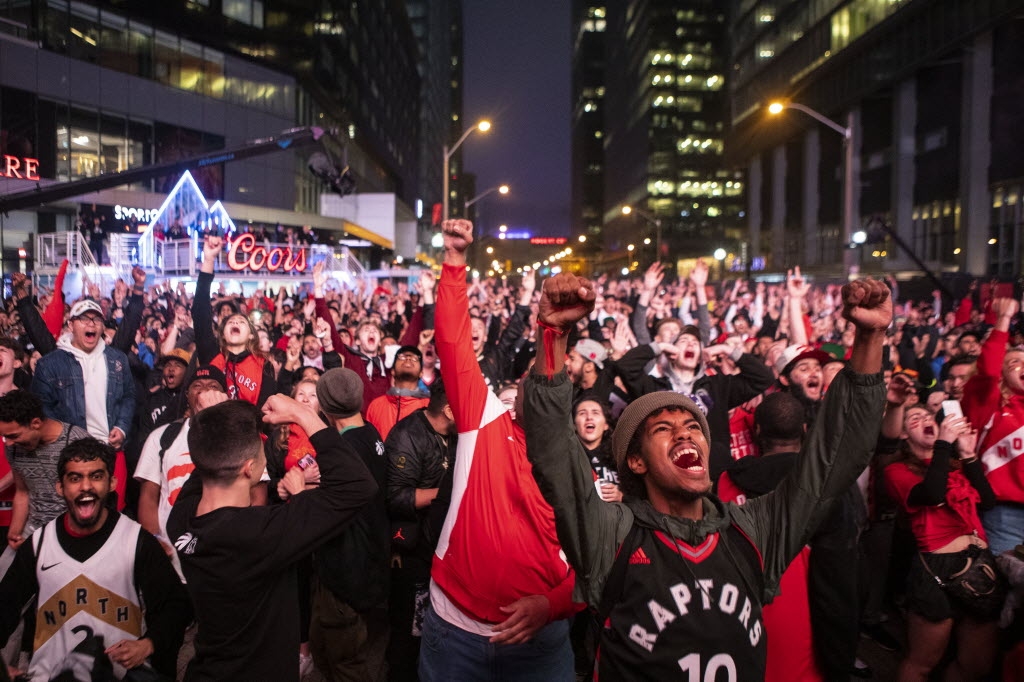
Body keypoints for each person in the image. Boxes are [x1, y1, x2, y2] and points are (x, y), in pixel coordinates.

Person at [522, 264, 891, 679]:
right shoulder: (612, 535)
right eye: (664, 428)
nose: (686, 434)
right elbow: (554, 450)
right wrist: (552, 334)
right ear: (636, 461)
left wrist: (871, 337)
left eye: (694, 425)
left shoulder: (752, 532)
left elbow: (835, 457)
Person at [418, 220, 578, 681]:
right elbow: (451, 343)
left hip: (541, 644)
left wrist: (552, 605)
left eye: (555, 382)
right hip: (456, 634)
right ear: (517, 388)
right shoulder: (483, 420)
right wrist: (453, 262)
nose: (543, 384)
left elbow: (597, 563)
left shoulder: (574, 464)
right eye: (534, 378)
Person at [166, 395, 378, 681]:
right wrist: (303, 414)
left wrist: (216, 417)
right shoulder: (260, 534)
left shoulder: (180, 521)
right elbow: (358, 485)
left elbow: (205, 462)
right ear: (250, 468)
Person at [0, 437, 191, 680]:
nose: (86, 486)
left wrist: (148, 644)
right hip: (50, 675)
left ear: (112, 482)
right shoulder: (39, 545)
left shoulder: (136, 540)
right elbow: (4, 606)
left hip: (116, 675)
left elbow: (174, 605)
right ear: (60, 487)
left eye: (96, 476)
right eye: (75, 478)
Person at [884, 405, 1003, 681]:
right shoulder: (896, 471)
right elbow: (934, 494)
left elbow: (988, 501)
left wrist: (969, 454)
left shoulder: (954, 465)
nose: (925, 419)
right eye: (915, 419)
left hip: (979, 566)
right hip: (936, 570)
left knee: (977, 666)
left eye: (929, 417)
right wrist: (942, 445)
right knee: (922, 662)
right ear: (903, 434)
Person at [306, 368, 390, 682]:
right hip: (363, 561)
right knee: (329, 649)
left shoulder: (344, 449)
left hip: (347, 568)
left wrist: (301, 490)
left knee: (346, 663)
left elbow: (330, 509)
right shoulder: (369, 432)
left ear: (323, 407)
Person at [383, 379, 457, 681]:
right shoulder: (407, 436)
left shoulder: (457, 435)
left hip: (444, 549)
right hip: (414, 553)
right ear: (451, 410)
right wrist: (448, 493)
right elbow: (395, 497)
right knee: (410, 633)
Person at [30, 298, 136, 504]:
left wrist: (122, 428)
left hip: (111, 450)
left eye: (96, 319)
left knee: (113, 514)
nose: (91, 324)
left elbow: (129, 396)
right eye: (83, 319)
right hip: (71, 454)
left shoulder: (117, 359)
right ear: (70, 325)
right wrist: (68, 439)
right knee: (77, 511)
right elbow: (42, 407)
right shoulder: (49, 364)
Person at [962, 298, 1024, 555]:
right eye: (1015, 363)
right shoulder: (989, 405)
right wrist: (1003, 321)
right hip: (1005, 515)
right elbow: (987, 371)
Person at [193, 235, 277, 407]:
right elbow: (200, 312)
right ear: (222, 332)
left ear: (252, 336)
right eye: (230, 322)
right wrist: (209, 260)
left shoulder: (263, 364)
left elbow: (264, 410)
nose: (235, 323)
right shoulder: (213, 354)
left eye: (241, 321)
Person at [0, 391, 90, 552]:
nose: (8, 443)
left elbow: (92, 498)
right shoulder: (14, 448)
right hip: (32, 530)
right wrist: (15, 532)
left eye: (14, 435)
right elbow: (22, 492)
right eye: (5, 436)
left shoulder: (77, 441)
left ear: (35, 423)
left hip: (74, 531)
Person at [365, 345, 430, 441]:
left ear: (421, 373)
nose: (408, 358)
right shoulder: (376, 405)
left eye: (415, 358)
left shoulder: (429, 406)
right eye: (402, 357)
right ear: (393, 371)